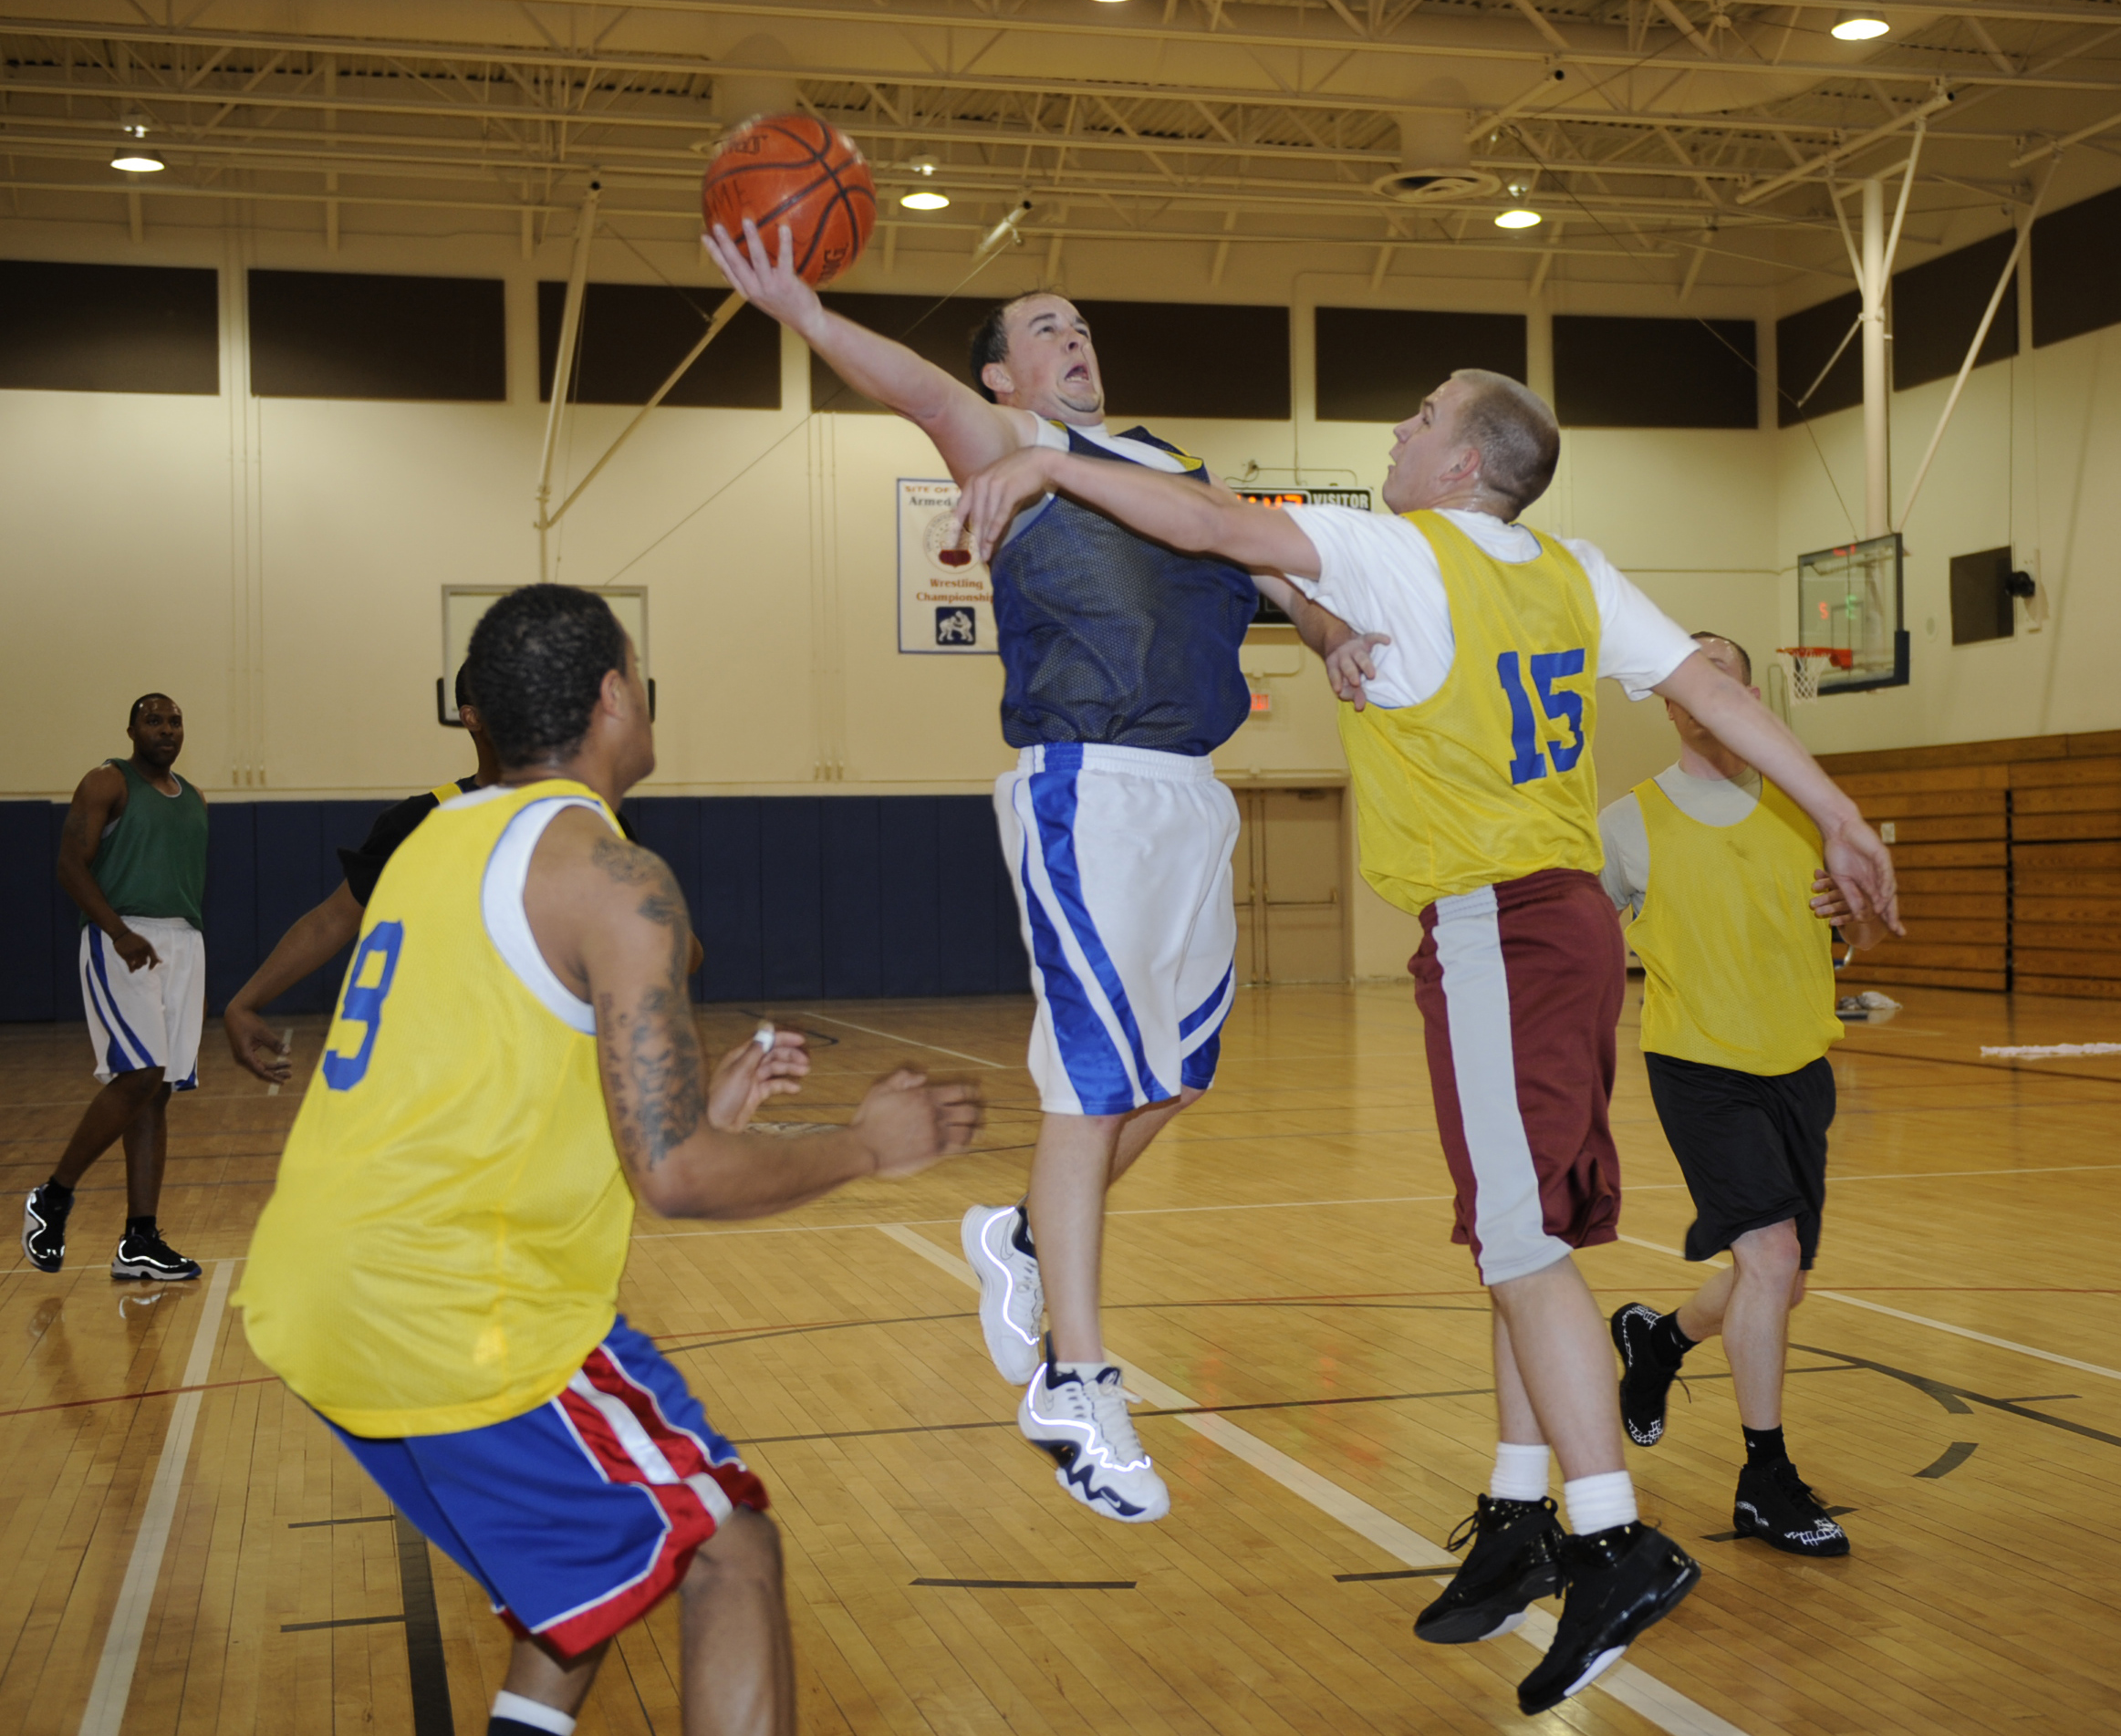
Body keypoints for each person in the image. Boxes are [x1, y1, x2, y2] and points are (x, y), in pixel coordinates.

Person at [949, 370, 1900, 1714]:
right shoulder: (1571, 570)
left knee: (1519, 1245)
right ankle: (1517, 1508)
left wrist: (1054, 466)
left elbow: (1212, 524)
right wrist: (1840, 806)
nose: (1396, 434)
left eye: (1419, 420)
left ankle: (1611, 1534)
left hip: (1494, 924)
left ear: (1462, 467)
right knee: (1528, 1236)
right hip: (1563, 925)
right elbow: (1715, 693)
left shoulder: (1405, 552)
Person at [236, 585, 982, 1736]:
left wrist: (707, 1100)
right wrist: (865, 1147)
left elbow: (477, 1078)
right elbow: (675, 1177)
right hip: (457, 1313)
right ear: (614, 696)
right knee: (728, 1545)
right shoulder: (612, 875)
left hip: (317, 1295)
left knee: (575, 1600)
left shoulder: (437, 838)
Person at [704, 220, 1354, 1523]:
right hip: (1088, 785)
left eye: (1083, 324)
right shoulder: (1008, 447)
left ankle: (1013, 1233)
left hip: (1189, 792)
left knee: (1178, 1077)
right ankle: (1076, 1370)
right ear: (1004, 380)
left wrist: (1335, 628)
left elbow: (1263, 559)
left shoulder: (1167, 464)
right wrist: (806, 315)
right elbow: (915, 386)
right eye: (1045, 328)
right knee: (1091, 1084)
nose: (1077, 339)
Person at [1599, 631, 1884, 1558]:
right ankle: (1765, 1475)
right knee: (1770, 1254)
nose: (1712, 686)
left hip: (1800, 1064)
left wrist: (1852, 924)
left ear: (1755, 694)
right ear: (1669, 700)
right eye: (1695, 674)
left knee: (1784, 1278)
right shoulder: (1626, 823)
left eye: (1729, 671)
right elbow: (1570, 943)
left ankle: (1660, 1340)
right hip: (1698, 1063)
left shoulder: (1811, 807)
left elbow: (1863, 937)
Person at [224, 664, 503, 1085]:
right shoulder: (421, 820)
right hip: (450, 1064)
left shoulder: (587, 815)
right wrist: (243, 1003)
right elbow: (333, 919)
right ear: (471, 717)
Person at [27, 693, 209, 1282]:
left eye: (174, 720)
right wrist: (118, 930)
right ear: (131, 729)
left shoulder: (197, 798)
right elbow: (69, 866)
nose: (166, 729)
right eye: (153, 720)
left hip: (182, 941)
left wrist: (184, 956)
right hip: (121, 939)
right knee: (140, 1074)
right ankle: (52, 1197)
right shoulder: (107, 782)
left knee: (156, 1091)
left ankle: (140, 1240)